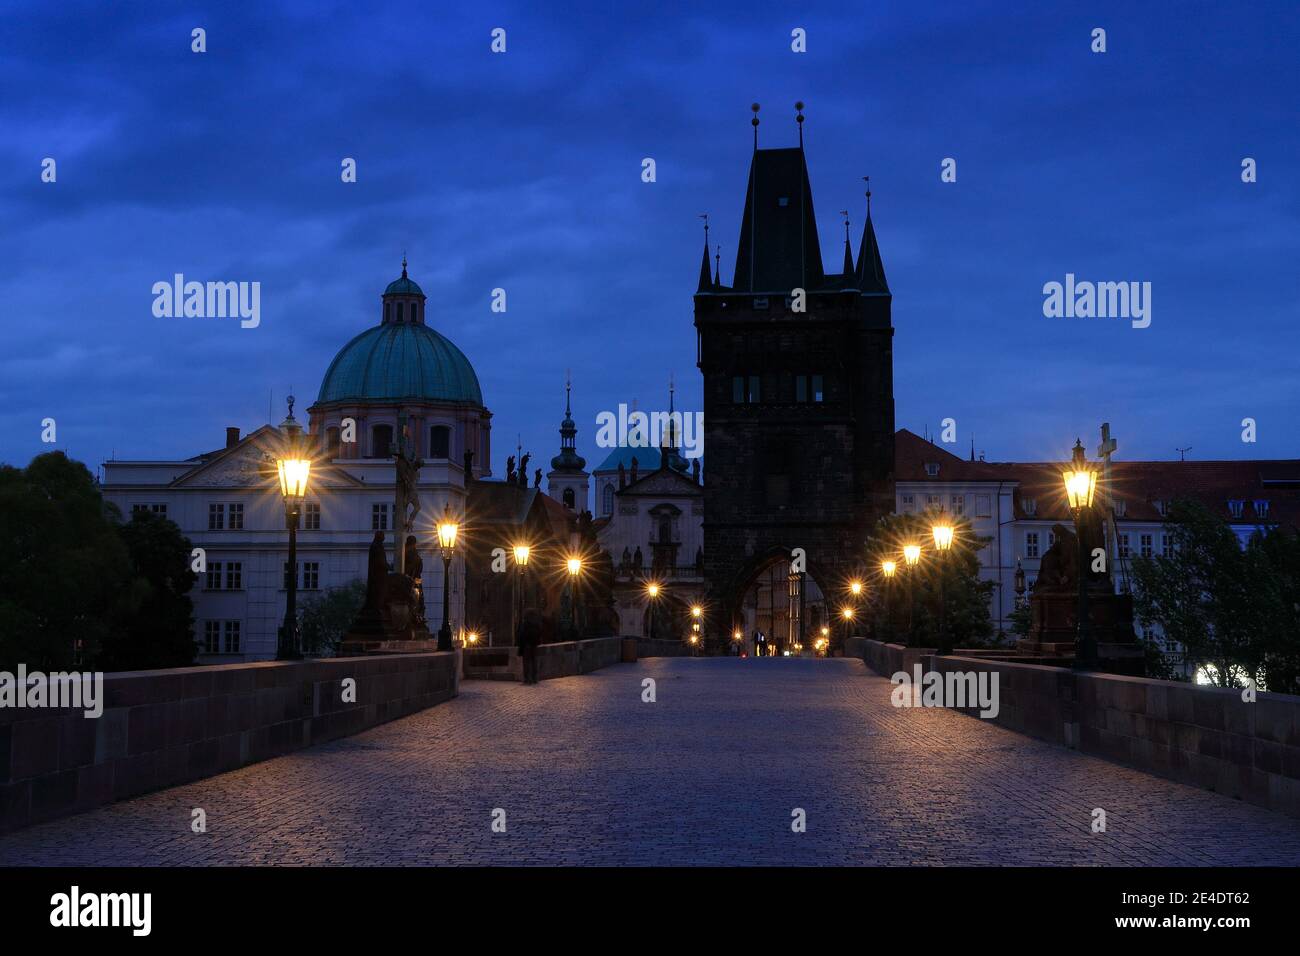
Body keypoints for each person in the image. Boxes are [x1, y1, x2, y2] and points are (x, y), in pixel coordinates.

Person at [517, 606, 543, 684]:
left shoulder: (525, 623)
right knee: (534, 661)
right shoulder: (537, 623)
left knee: (526, 662)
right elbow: (540, 633)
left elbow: (522, 634)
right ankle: (535, 678)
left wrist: (520, 643)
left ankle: (527, 679)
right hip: (534, 645)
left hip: (526, 645)